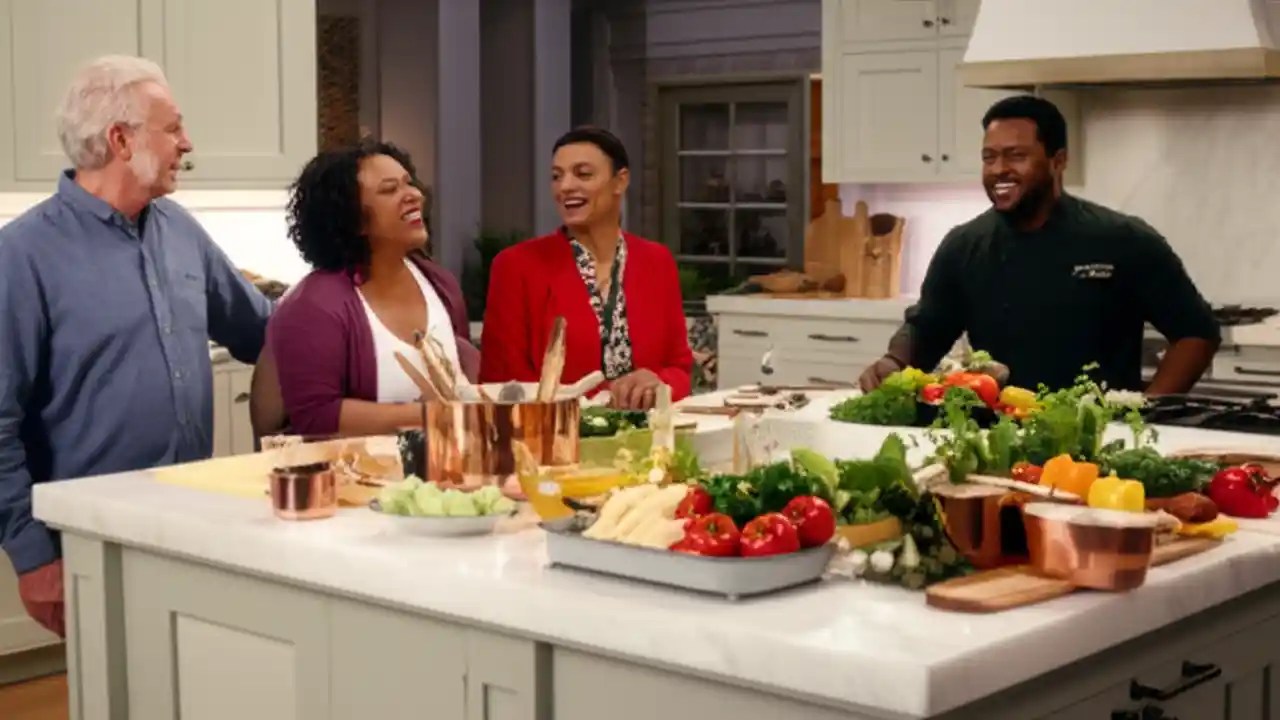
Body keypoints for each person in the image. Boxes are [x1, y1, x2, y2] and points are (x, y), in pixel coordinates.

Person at [0, 55, 272, 637]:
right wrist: (32, 556)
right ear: (120, 139)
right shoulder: (21, 256)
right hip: (92, 539)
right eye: (172, 127)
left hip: (192, 524)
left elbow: (262, 332)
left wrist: (344, 304)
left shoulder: (180, 231)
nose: (187, 142)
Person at [858, 95, 1219, 395]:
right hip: (996, 437)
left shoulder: (1122, 239)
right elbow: (928, 327)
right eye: (989, 157)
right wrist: (895, 361)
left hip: (1099, 440)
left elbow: (1196, 332)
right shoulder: (963, 246)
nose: (999, 169)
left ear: (1057, 161)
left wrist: (1149, 409)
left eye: (1016, 155)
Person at [265, 140, 478, 437]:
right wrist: (430, 416)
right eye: (390, 190)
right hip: (357, 478)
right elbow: (317, 417)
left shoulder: (439, 283)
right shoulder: (313, 306)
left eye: (409, 183)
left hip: (441, 477)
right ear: (353, 219)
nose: (413, 195)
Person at [480, 126, 694, 409]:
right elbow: (503, 385)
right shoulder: (516, 266)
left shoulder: (656, 261)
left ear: (620, 181)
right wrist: (608, 398)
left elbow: (679, 368)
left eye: (583, 174)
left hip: (651, 438)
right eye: (557, 177)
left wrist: (658, 383)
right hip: (557, 439)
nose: (565, 186)